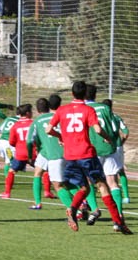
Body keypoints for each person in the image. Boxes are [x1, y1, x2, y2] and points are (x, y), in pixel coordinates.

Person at [46, 81, 132, 235]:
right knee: (102, 185)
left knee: (84, 187)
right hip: (86, 153)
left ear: (72, 94)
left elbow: (48, 129)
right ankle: (119, 223)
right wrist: (108, 138)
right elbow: (98, 129)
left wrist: (60, 136)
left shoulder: (62, 110)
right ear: (85, 94)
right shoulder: (87, 109)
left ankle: (72, 209)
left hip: (70, 156)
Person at [83, 84, 123, 222]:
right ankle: (118, 218)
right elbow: (115, 126)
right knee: (112, 182)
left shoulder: (84, 110)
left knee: (88, 181)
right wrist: (110, 139)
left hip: (93, 150)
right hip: (109, 149)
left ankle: (94, 210)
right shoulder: (105, 108)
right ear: (95, 95)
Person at [27, 96, 69, 210]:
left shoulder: (37, 121)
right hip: (60, 150)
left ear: (37, 109)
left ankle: (76, 207)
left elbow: (29, 141)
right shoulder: (59, 117)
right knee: (39, 172)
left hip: (51, 152)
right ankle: (37, 203)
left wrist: (30, 156)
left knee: (57, 183)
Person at [0, 104, 34, 199]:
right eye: (31, 111)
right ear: (27, 113)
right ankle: (47, 191)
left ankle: (7, 192)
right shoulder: (33, 123)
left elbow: (11, 141)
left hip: (16, 151)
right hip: (32, 152)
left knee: (11, 168)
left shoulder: (15, 124)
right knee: (42, 170)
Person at [103, 98, 131, 204]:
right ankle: (126, 196)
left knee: (106, 173)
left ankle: (108, 194)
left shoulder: (102, 117)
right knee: (120, 170)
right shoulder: (117, 117)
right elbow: (126, 132)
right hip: (118, 146)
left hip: (106, 147)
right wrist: (121, 142)